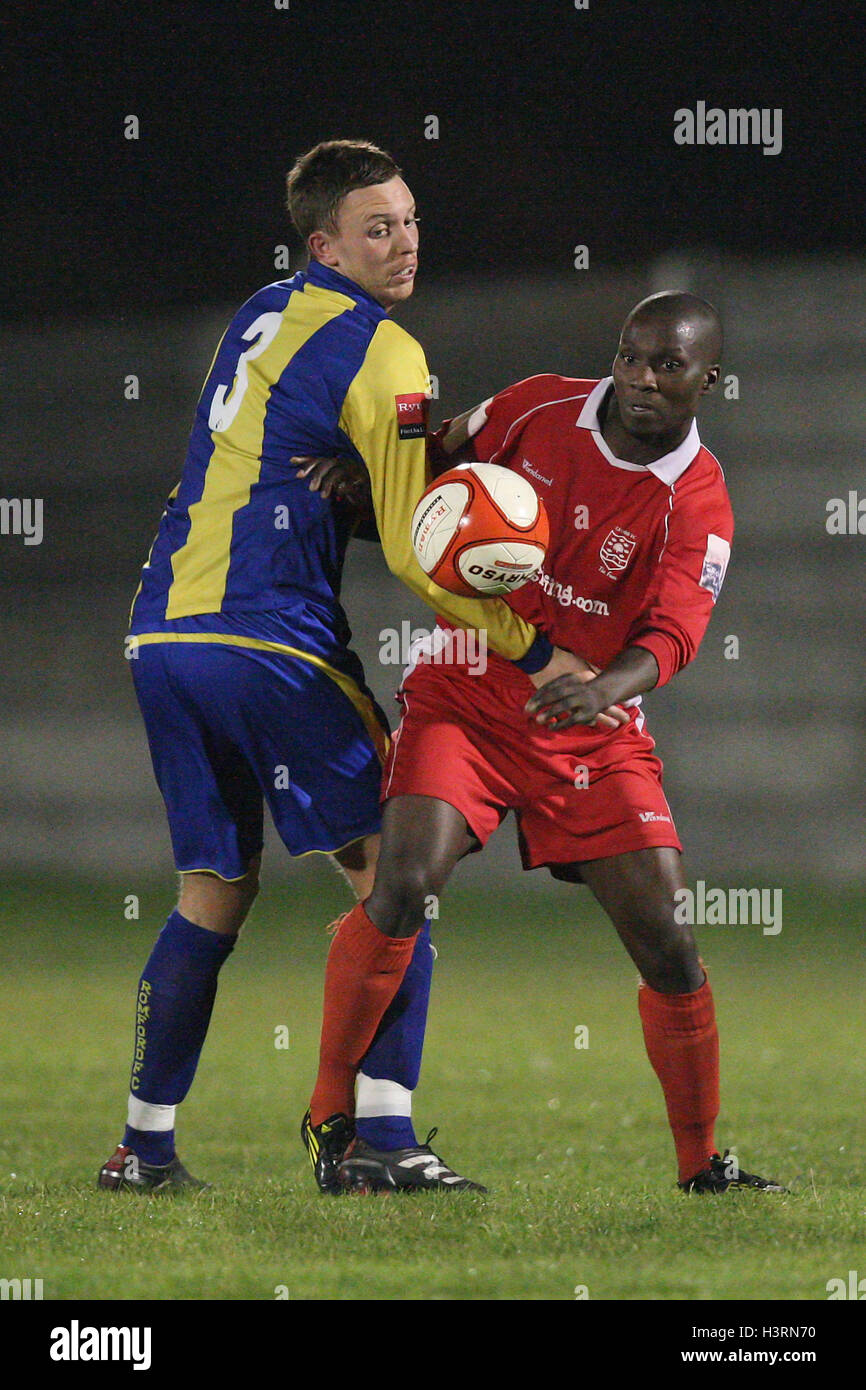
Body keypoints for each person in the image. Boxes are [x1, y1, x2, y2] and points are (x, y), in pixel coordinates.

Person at [97, 139, 592, 1196]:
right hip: (273, 643)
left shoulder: (259, 313)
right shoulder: (388, 352)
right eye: (378, 227)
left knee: (210, 894)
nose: (404, 241)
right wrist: (538, 646)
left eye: (410, 219)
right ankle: (377, 1139)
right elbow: (426, 547)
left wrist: (362, 488)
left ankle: (142, 1149)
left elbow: (291, 468)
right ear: (323, 242)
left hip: (164, 634)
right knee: (395, 882)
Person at [308, 291, 787, 1196]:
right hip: (467, 686)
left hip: (589, 724)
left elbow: (676, 632)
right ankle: (332, 1121)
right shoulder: (536, 405)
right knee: (403, 883)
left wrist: (603, 688)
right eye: (630, 356)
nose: (642, 379)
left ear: (708, 380)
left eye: (668, 366)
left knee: (671, 949)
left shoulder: (699, 496)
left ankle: (702, 1168)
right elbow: (433, 468)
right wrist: (364, 480)